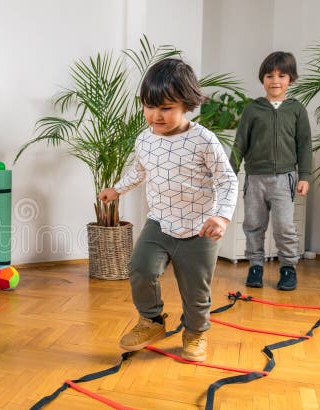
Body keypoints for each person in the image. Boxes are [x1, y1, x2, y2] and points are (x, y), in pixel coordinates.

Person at [98, 58, 238, 362]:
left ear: (187, 105)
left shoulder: (203, 140)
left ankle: (195, 332)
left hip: (199, 228)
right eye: (149, 107)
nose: (155, 116)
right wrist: (116, 189)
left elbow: (228, 180)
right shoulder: (144, 140)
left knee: (195, 291)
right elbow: (138, 171)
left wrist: (222, 216)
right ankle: (151, 321)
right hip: (160, 222)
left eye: (166, 108)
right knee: (140, 268)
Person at [233, 51, 312, 291]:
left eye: (282, 75)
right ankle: (255, 266)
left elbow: (304, 144)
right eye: (269, 75)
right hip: (255, 178)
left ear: (291, 79)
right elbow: (239, 144)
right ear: (262, 79)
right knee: (253, 224)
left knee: (284, 227)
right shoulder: (252, 109)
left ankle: (288, 268)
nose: (275, 80)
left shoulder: (297, 110)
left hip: (284, 179)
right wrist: (229, 173)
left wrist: (305, 176)